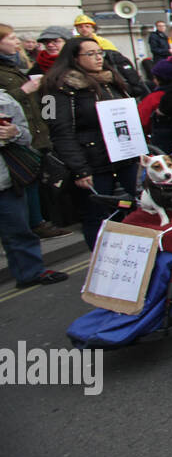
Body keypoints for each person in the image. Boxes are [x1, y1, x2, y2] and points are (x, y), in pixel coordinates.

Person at [42, 37, 140, 248]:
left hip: (124, 156)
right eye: (91, 54)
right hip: (91, 162)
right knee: (97, 216)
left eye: (100, 53)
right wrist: (80, 170)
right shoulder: (60, 87)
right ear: (75, 58)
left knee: (136, 207)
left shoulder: (110, 79)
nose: (98, 58)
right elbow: (60, 132)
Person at [0, 25, 71, 238]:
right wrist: (25, 92)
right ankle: (36, 222)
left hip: (41, 128)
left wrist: (49, 119)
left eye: (55, 41)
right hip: (24, 133)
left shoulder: (19, 65)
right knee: (31, 179)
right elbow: (27, 99)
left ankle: (46, 219)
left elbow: (43, 101)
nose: (50, 45)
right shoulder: (35, 67)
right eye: (12, 38)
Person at [0, 90, 68, 288]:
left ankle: (30, 273)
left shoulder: (4, 100)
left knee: (18, 229)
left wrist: (15, 132)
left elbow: (26, 136)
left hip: (6, 180)